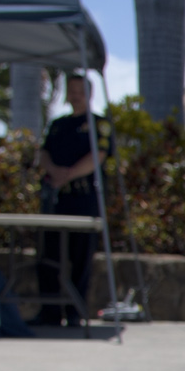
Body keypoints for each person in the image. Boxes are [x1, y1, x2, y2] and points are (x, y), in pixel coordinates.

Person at [34, 73, 112, 325]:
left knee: (80, 258)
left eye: (81, 90)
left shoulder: (99, 124)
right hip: (56, 199)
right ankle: (49, 312)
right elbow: (44, 153)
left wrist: (68, 174)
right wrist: (53, 172)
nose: (76, 95)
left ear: (89, 94)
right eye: (72, 90)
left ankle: (75, 312)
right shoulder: (58, 124)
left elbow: (98, 156)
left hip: (83, 199)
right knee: (49, 256)